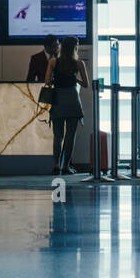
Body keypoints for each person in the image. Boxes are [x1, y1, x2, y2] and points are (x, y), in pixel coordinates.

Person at [44, 36, 91, 175]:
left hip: (58, 100)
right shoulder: (79, 63)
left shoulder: (53, 61)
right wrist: (73, 79)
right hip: (72, 101)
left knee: (58, 135)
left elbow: (47, 81)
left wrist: (57, 79)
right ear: (74, 48)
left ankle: (56, 165)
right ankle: (66, 166)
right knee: (70, 136)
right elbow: (86, 84)